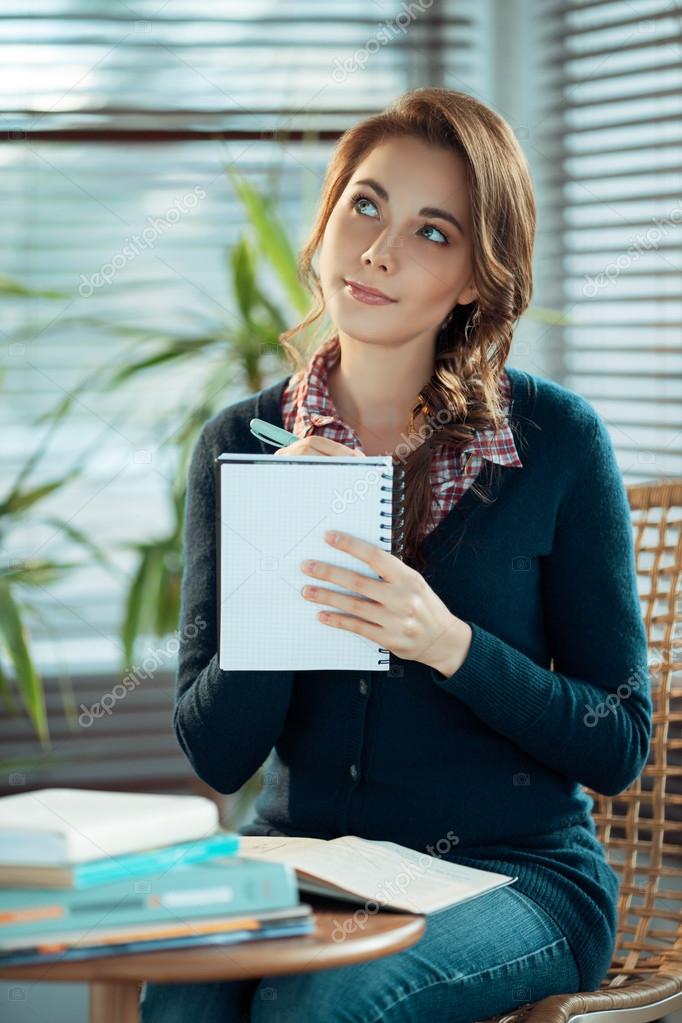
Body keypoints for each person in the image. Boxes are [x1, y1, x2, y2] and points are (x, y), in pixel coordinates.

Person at [140, 87, 652, 1022]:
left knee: (329, 1001)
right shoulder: (239, 441)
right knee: (180, 994)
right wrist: (282, 545)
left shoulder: (559, 441)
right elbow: (218, 755)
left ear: (473, 278)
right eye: (366, 205)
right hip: (307, 863)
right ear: (327, 220)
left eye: (432, 231)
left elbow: (618, 743)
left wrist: (448, 643)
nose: (378, 250)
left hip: (515, 876)